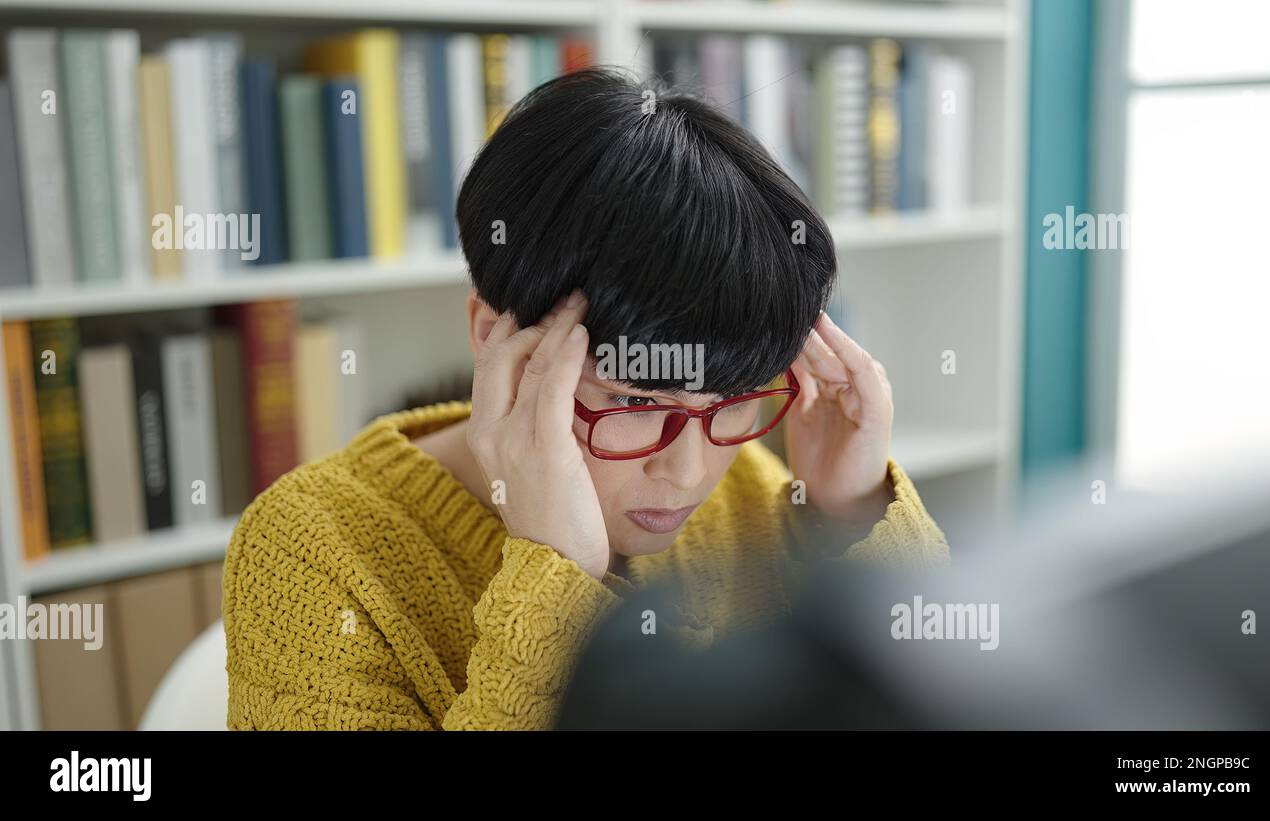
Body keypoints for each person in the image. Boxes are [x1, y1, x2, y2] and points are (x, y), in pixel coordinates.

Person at [223, 66, 949, 730]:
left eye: (735, 398)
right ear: (493, 335)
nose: (691, 471)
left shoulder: (755, 495)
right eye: (635, 402)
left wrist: (850, 513)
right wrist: (555, 577)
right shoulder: (309, 552)